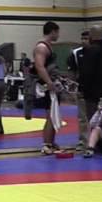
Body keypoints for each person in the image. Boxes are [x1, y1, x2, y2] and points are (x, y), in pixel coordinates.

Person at [31, 22, 65, 154]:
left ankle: (51, 141)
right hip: (47, 87)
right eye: (57, 32)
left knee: (53, 114)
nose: (58, 35)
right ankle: (46, 144)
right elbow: (40, 66)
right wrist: (49, 82)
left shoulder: (48, 47)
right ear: (52, 31)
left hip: (51, 84)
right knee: (51, 115)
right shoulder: (42, 47)